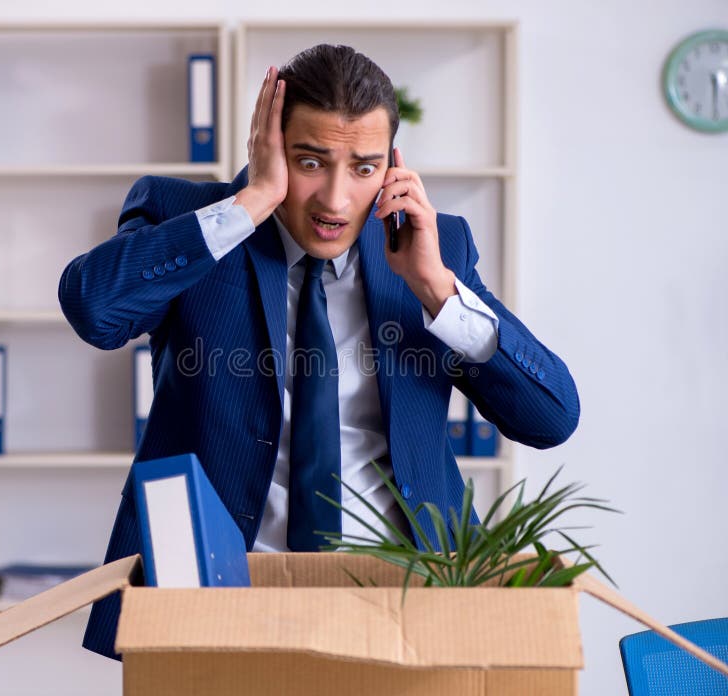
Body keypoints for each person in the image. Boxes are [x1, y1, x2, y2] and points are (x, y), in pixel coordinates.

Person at [59, 44, 579, 660]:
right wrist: (251, 203)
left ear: (391, 166)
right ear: (271, 145)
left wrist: (437, 288)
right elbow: (95, 310)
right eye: (311, 162)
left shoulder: (436, 248)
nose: (334, 201)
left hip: (406, 600)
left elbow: (551, 418)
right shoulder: (188, 216)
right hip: (213, 600)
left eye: (363, 168)